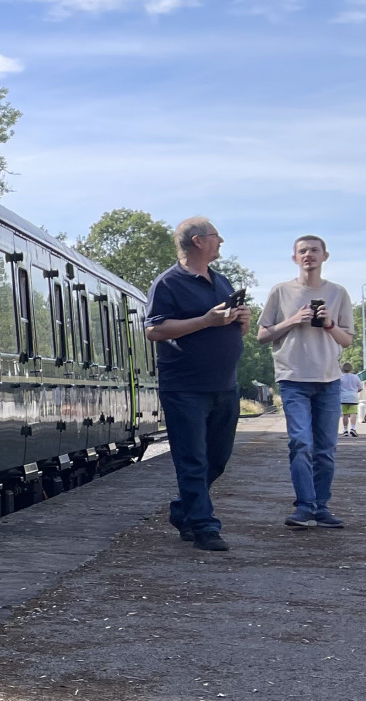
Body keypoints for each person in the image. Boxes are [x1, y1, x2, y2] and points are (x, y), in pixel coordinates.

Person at [144, 217, 249, 552]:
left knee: (217, 459)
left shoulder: (221, 281)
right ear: (198, 241)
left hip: (225, 385)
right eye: (217, 236)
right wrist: (206, 320)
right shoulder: (167, 283)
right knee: (193, 460)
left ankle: (183, 511)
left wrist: (241, 321)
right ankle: (205, 527)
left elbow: (232, 330)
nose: (221, 242)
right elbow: (154, 330)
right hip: (185, 388)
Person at [257, 236, 355, 527]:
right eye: (302, 251)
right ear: (294, 258)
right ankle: (304, 506)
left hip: (329, 379)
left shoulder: (338, 293)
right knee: (301, 442)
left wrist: (329, 324)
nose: (308, 255)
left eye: (314, 250)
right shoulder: (281, 291)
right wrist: (293, 319)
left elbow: (347, 340)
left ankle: (320, 507)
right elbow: (262, 335)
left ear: (325, 256)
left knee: (326, 448)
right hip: (293, 378)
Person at [341, 370, 362, 437]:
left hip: (343, 397)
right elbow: (360, 388)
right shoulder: (355, 377)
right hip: (353, 397)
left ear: (343, 369)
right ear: (351, 369)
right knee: (353, 413)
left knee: (345, 414)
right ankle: (353, 428)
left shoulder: (340, 377)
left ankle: (345, 430)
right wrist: (355, 391)